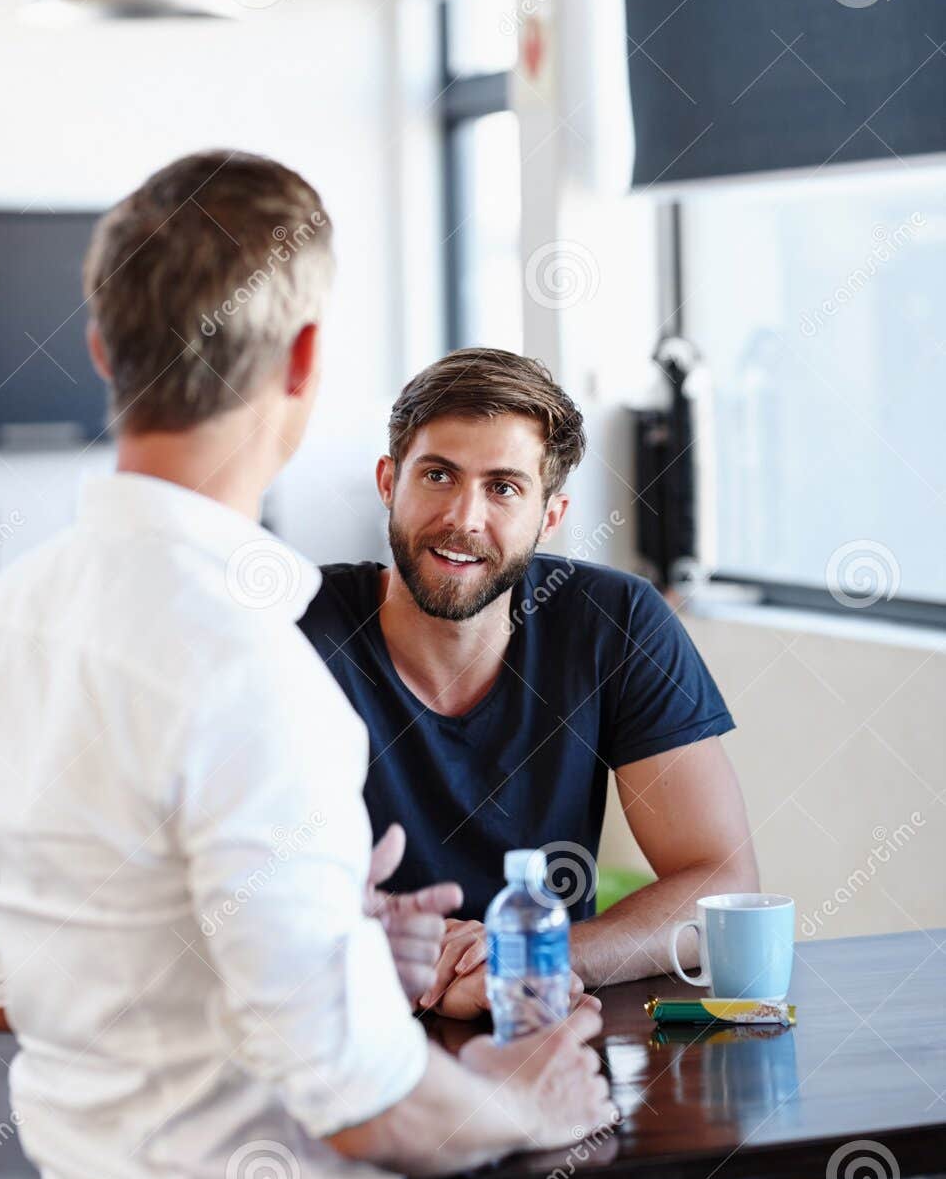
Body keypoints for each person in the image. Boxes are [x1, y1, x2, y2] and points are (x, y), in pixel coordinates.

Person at [0, 152, 613, 1179]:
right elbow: (371, 1107)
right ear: (302, 359)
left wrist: (315, 935)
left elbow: (10, 992)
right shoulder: (252, 671)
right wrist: (523, 1100)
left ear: (103, 349)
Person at [299, 347, 759, 1022]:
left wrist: (534, 960)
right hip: (335, 1030)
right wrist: (391, 955)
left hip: (547, 1027)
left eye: (503, 487)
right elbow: (217, 894)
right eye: (437, 475)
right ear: (387, 481)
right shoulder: (291, 631)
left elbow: (720, 882)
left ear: (549, 516)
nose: (463, 517)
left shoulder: (616, 621)